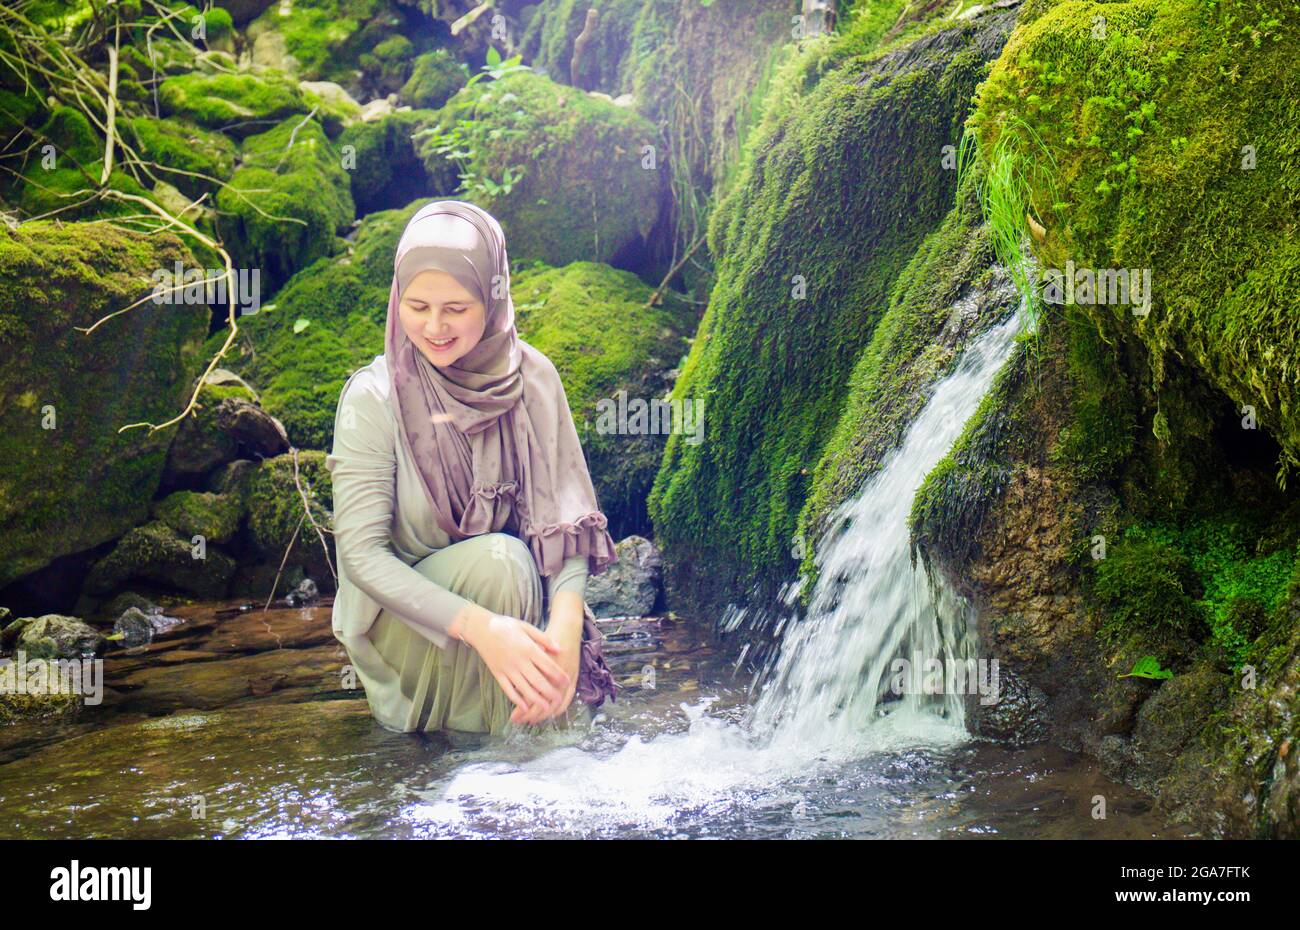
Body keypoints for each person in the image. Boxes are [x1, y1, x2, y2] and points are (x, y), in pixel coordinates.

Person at [325, 200, 619, 740]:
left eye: (456, 308)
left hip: (514, 609)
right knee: (502, 562)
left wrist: (565, 628)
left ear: (493, 296)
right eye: (417, 306)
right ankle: (516, 766)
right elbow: (362, 557)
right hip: (406, 628)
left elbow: (568, 528)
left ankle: (535, 762)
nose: (434, 327)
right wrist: (482, 629)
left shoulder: (532, 381)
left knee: (512, 575)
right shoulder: (372, 399)